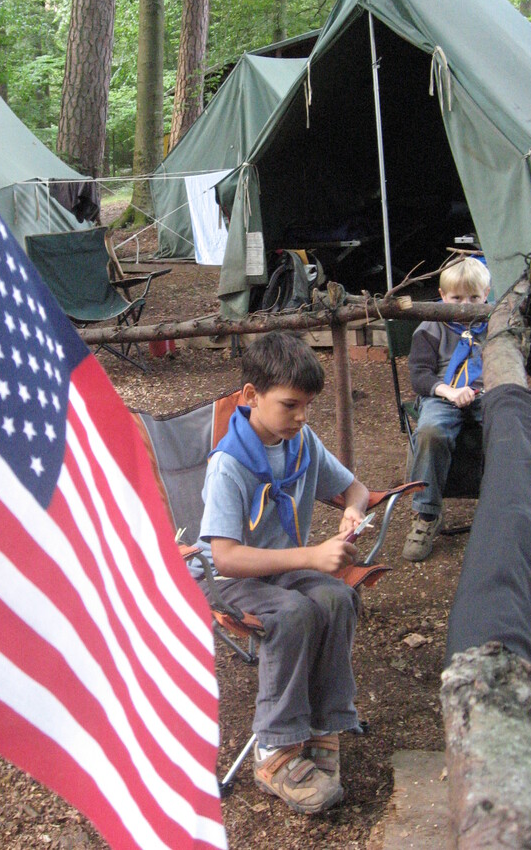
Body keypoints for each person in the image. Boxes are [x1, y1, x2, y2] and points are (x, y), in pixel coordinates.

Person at [191, 331, 371, 814]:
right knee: (292, 613)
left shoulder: (302, 441)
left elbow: (355, 489)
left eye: (307, 406)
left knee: (337, 598)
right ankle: (273, 748)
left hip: (284, 569)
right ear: (251, 397)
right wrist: (312, 557)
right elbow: (224, 557)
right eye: (291, 405)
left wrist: (352, 513)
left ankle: (322, 727)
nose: (302, 417)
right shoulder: (229, 463)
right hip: (233, 580)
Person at [401, 256, 491, 562]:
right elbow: (420, 375)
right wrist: (449, 392)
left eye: (474, 298)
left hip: (486, 392)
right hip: (442, 393)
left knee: (510, 426)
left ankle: (507, 506)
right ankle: (426, 515)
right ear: (442, 296)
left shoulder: (495, 326)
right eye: (456, 298)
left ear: (487, 294)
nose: (465, 306)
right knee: (430, 432)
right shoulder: (431, 328)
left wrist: (488, 389)